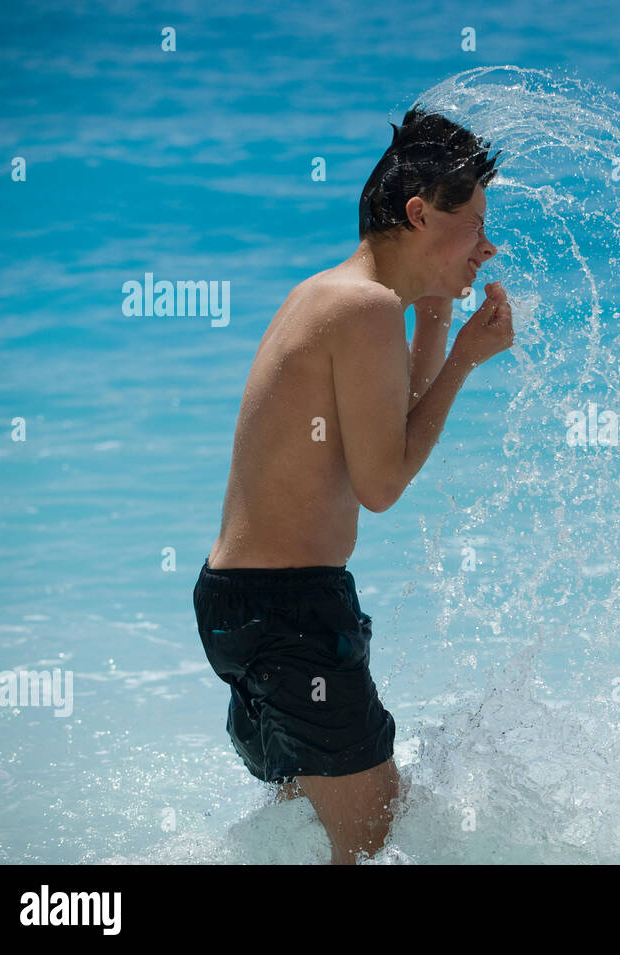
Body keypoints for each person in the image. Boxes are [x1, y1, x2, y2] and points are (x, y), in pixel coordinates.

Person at [193, 105, 512, 864]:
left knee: (304, 835)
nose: (488, 246)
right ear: (419, 213)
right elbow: (383, 482)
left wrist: (435, 321)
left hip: (243, 605)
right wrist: (464, 362)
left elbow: (387, 425)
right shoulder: (365, 307)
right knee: (371, 843)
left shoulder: (337, 295)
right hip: (291, 611)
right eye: (474, 224)